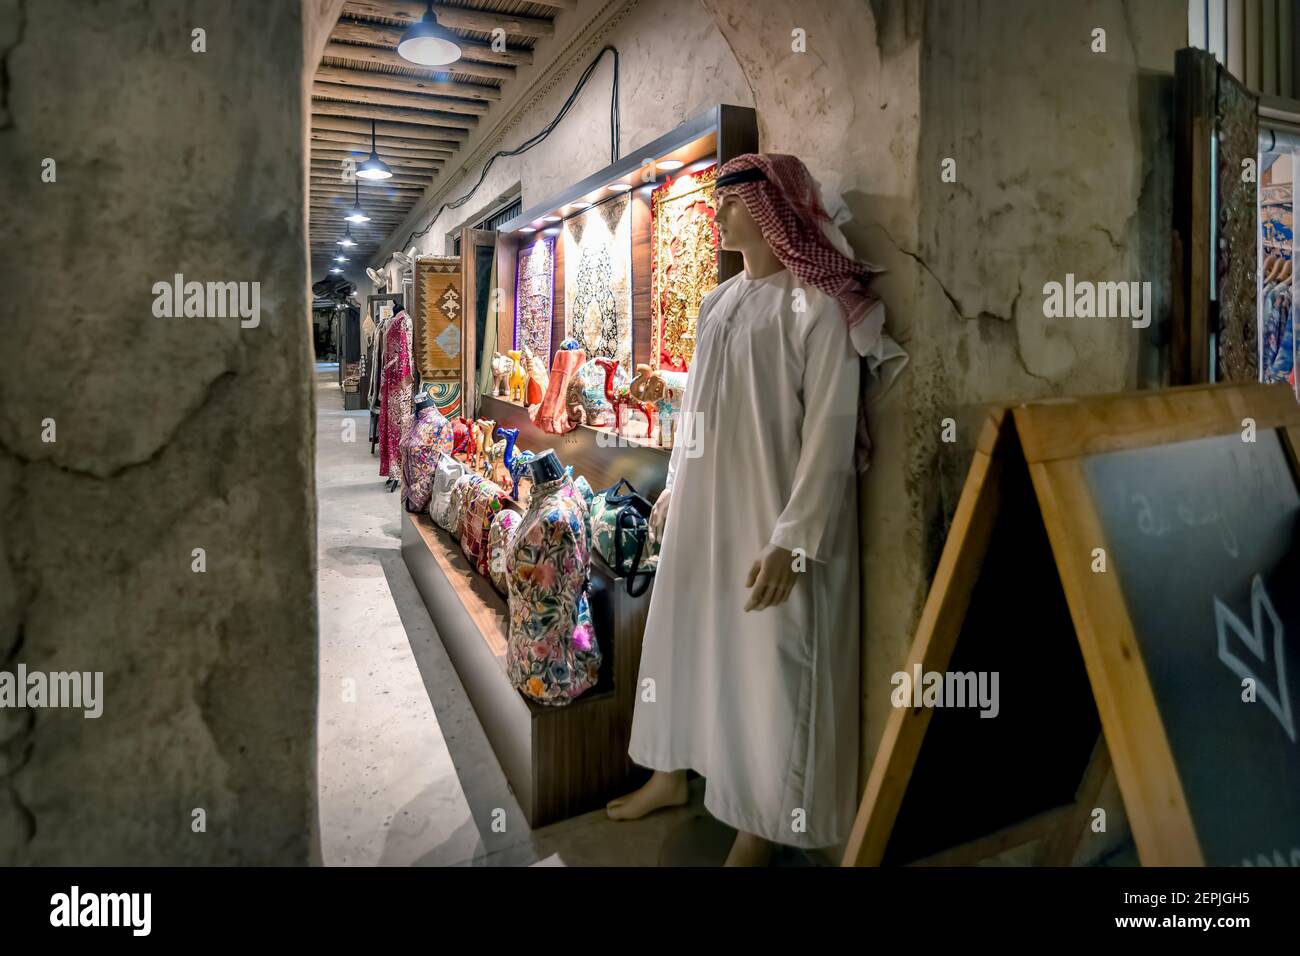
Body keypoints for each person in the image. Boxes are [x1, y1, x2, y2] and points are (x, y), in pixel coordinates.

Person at [606, 153, 906, 865]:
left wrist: (793, 539)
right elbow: (697, 409)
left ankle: (760, 826)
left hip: (772, 515)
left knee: (771, 666)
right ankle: (670, 772)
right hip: (706, 511)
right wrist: (677, 480)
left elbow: (830, 436)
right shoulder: (720, 302)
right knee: (686, 642)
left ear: (774, 215)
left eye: (733, 203)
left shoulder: (817, 310)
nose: (721, 213)